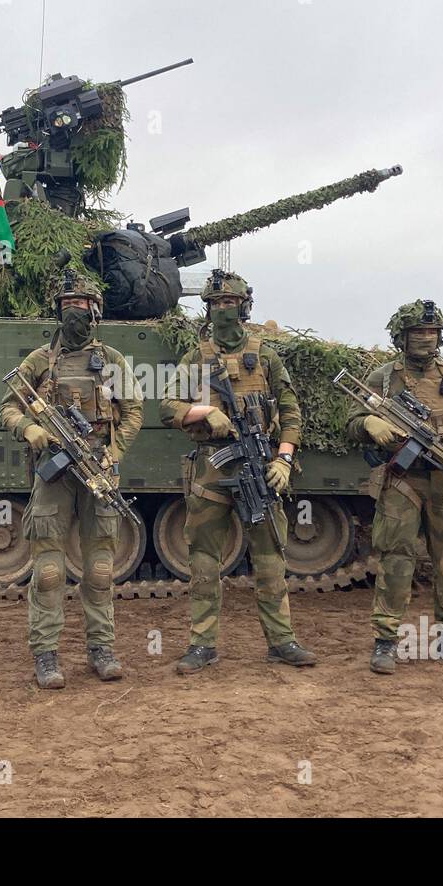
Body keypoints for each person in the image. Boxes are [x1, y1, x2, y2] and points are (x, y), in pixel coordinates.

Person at [158, 271, 316, 675]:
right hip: (212, 467)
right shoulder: (196, 358)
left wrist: (282, 458)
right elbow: (169, 407)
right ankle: (202, 644)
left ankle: (282, 641)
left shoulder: (267, 357)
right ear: (207, 309)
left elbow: (292, 413)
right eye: (215, 303)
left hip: (261, 467)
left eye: (229, 303)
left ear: (244, 307)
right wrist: (206, 411)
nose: (222, 309)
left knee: (270, 560)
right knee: (205, 562)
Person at [0, 273, 142, 689]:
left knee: (99, 567)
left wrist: (114, 454)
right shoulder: (39, 363)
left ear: (95, 311)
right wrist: (30, 430)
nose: (73, 314)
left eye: (81, 306)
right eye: (67, 306)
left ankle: (102, 648)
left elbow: (133, 411)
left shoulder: (112, 361)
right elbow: (10, 408)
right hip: (55, 471)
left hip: (99, 469)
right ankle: (46, 655)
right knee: (47, 570)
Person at [346, 300, 443, 674]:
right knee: (396, 557)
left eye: (431, 333)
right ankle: (386, 640)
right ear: (402, 337)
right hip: (403, 481)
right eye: (417, 333)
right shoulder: (382, 377)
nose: (426, 340)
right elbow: (349, 420)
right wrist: (368, 426)